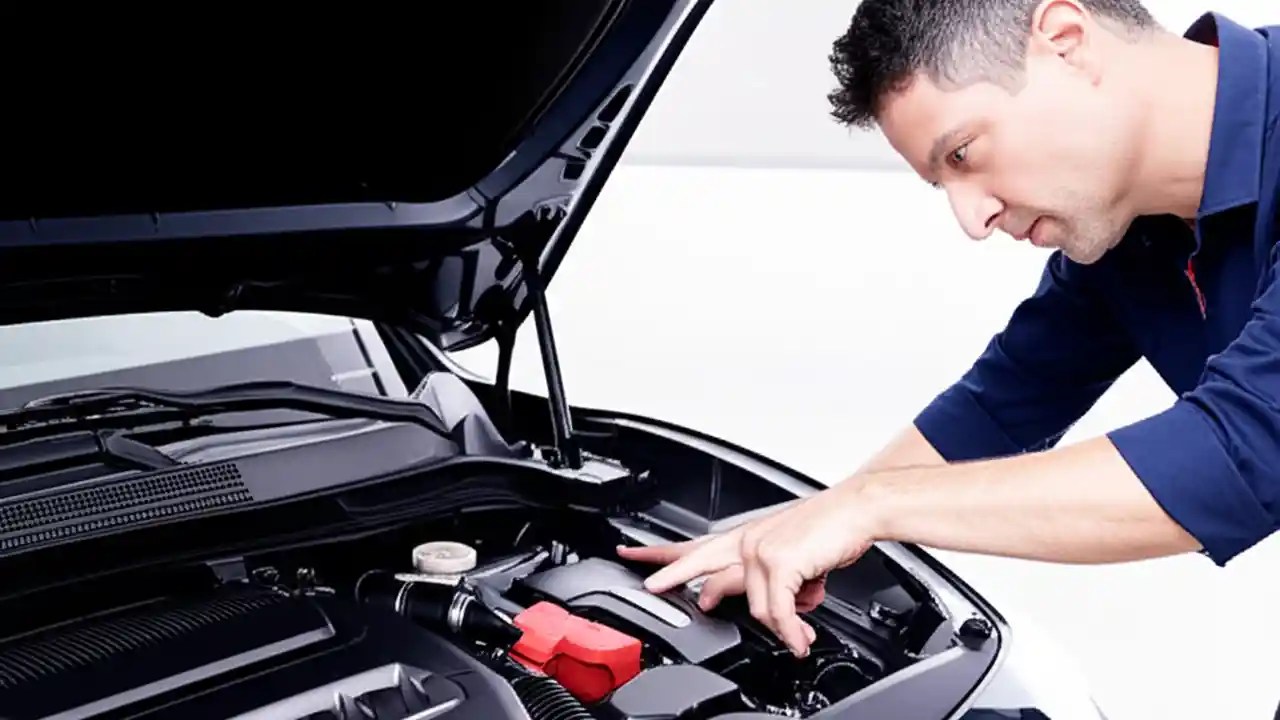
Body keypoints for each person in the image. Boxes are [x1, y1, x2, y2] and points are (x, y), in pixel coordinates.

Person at [618, 0, 1280, 663]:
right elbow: (1002, 405)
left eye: (963, 153)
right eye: (944, 184)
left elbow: (1238, 451)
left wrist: (872, 507)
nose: (973, 220)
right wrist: (792, 530)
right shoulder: (1127, 223)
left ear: (1065, 40)